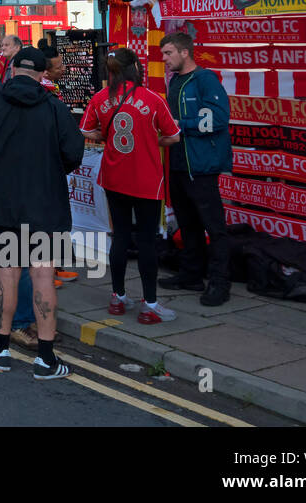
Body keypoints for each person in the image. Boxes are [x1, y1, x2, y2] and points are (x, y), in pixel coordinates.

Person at [0, 46, 83, 379]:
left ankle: (0, 350)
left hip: (3, 206)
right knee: (44, 275)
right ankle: (46, 359)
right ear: (42, 74)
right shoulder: (55, 107)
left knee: (8, 274)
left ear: (13, 70)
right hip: (46, 206)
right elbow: (74, 153)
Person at [80, 48, 181, 324]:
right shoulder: (152, 99)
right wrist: (152, 140)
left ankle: (117, 296)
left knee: (120, 237)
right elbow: (173, 136)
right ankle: (149, 304)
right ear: (135, 67)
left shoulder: (100, 98)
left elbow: (85, 131)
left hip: (114, 177)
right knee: (147, 240)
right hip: (146, 179)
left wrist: (105, 136)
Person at [158, 32, 232, 306]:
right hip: (177, 162)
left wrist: (178, 123)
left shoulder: (205, 79)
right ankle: (191, 274)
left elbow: (219, 118)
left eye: (168, 53)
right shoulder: (175, 80)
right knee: (187, 223)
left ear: (184, 52)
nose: (164, 59)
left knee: (214, 227)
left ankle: (220, 282)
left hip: (200, 165)